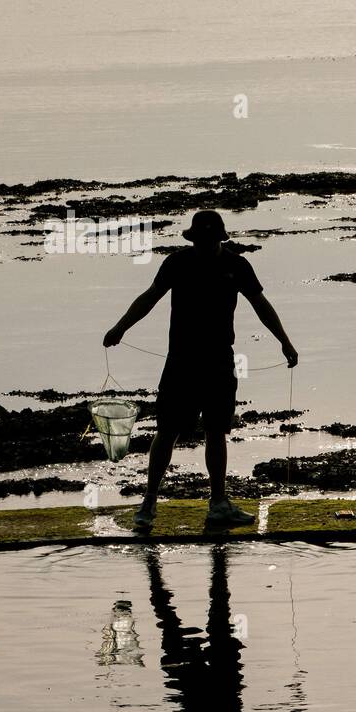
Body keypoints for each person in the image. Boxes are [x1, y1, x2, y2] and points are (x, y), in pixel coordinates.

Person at [103, 210, 298, 529]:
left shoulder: (237, 265)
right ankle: (149, 503)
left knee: (216, 431)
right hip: (181, 360)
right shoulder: (177, 263)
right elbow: (150, 297)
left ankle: (218, 503)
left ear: (219, 238)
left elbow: (261, 305)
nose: (207, 245)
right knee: (167, 431)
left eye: (211, 240)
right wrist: (120, 328)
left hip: (220, 359)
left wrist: (285, 342)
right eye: (202, 240)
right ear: (194, 239)